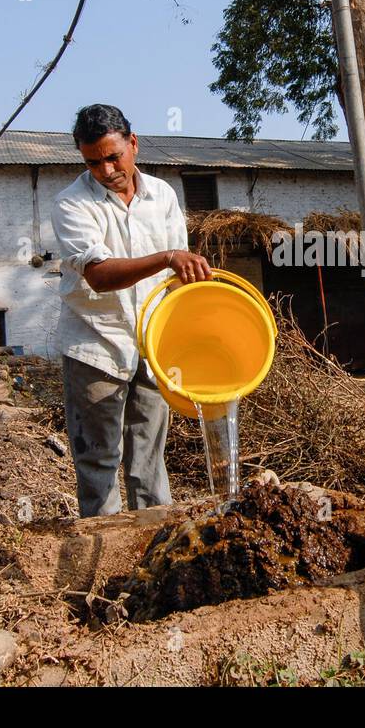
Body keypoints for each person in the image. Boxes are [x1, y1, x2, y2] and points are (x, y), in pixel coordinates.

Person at [52, 104, 212, 517]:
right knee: (99, 460)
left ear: (133, 144)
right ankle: (105, 558)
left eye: (113, 157)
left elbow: (175, 279)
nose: (105, 170)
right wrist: (167, 257)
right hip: (96, 345)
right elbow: (100, 276)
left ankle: (156, 551)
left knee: (149, 459)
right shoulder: (72, 204)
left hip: (152, 344)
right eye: (93, 162)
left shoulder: (161, 195)